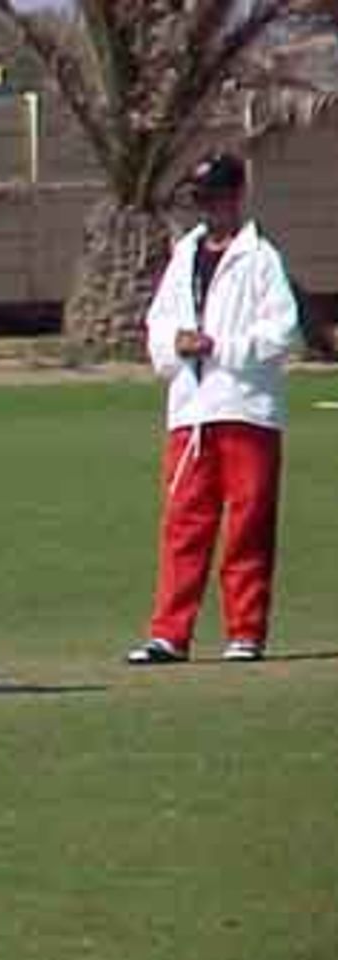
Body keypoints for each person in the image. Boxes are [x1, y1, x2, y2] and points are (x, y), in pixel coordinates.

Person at [127, 152, 299, 665]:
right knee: (184, 522)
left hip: (246, 408)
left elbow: (280, 334)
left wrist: (217, 345)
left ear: (236, 198)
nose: (209, 210)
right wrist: (175, 344)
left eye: (217, 199)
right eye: (202, 200)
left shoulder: (261, 258)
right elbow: (159, 325)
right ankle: (169, 633)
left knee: (248, 523)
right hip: (191, 410)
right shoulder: (184, 256)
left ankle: (245, 631)